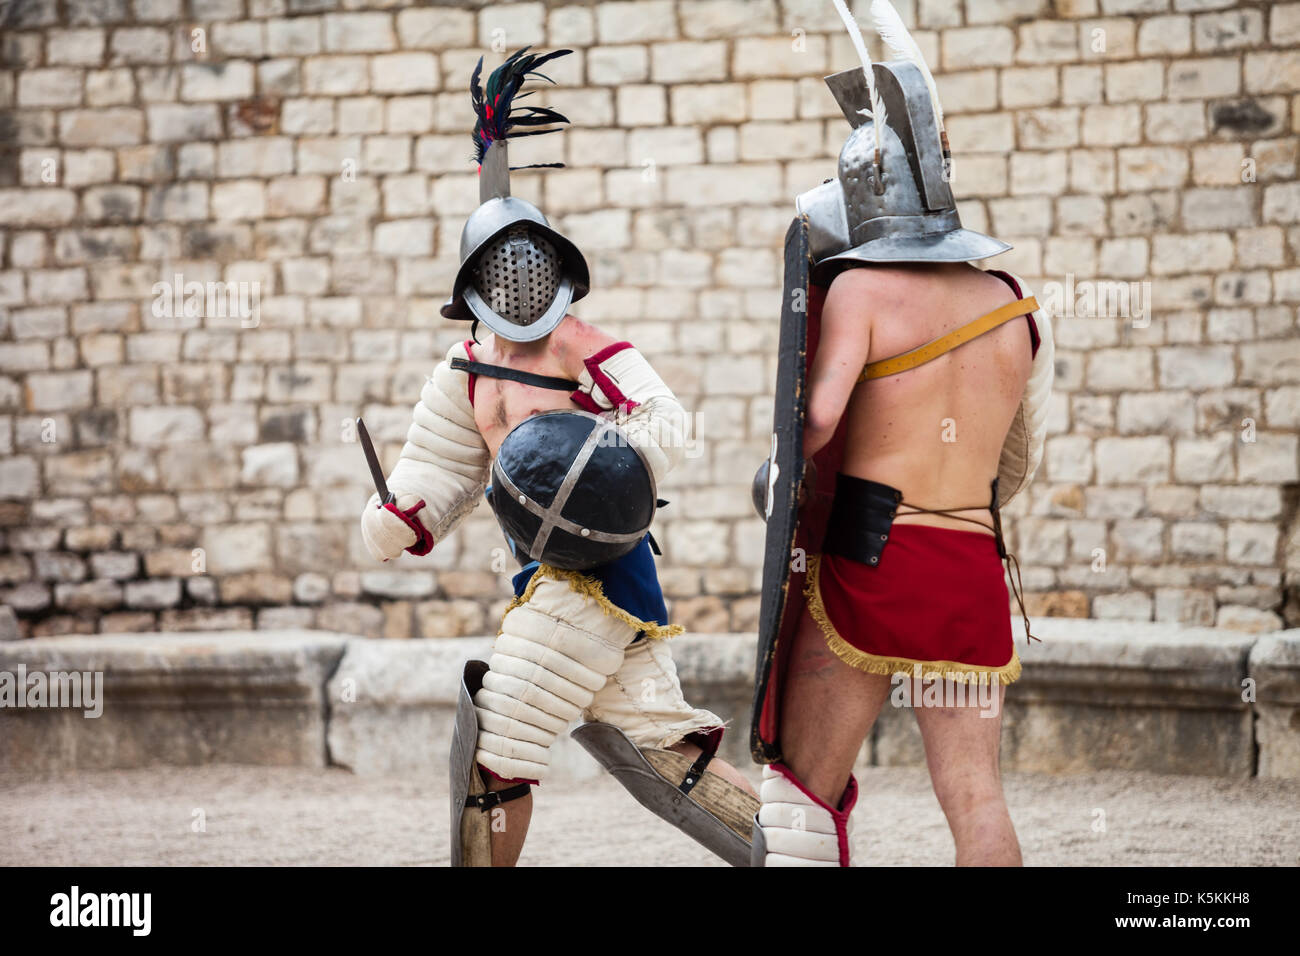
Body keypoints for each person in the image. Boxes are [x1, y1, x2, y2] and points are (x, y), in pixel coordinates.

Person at [359, 48, 757, 868]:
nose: (520, 279)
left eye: (531, 259)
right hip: (539, 572)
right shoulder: (463, 372)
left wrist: (601, 473)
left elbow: (666, 424)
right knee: (658, 753)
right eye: (502, 266)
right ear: (472, 281)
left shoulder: (581, 344)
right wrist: (400, 515)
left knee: (493, 742)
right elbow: (442, 469)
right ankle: (795, 856)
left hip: (598, 573)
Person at [749, 1, 1055, 867]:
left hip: (874, 557)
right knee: (976, 801)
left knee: (802, 796)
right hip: (970, 562)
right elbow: (1016, 459)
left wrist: (776, 481)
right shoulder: (1008, 301)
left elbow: (814, 423)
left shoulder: (861, 292)